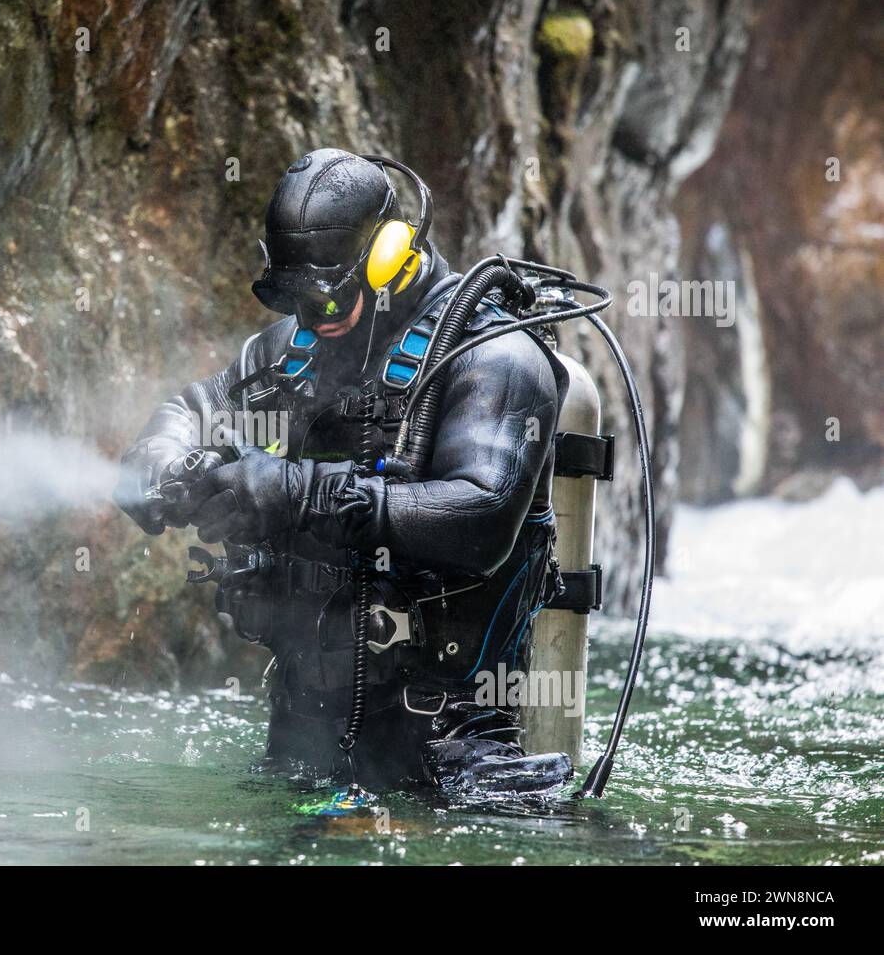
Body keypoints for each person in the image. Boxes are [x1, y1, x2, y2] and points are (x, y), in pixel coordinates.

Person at [114, 147, 574, 793]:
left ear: (390, 257)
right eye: (296, 303)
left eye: (326, 303)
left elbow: (485, 515)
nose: (310, 323)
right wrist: (164, 467)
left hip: (455, 763)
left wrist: (298, 494)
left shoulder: (493, 359)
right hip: (305, 745)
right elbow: (191, 407)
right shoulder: (294, 353)